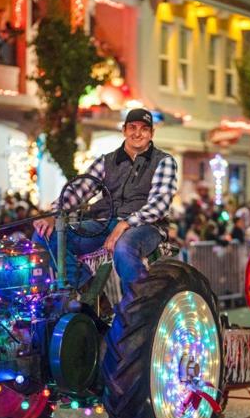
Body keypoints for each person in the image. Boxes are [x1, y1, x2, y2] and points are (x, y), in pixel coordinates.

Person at [33, 108, 177, 297]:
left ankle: (137, 304)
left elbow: (160, 204)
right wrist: (54, 215)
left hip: (145, 227)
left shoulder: (163, 161)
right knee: (44, 234)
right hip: (104, 224)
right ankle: (86, 287)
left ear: (152, 133)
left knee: (123, 247)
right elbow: (79, 190)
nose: (138, 133)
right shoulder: (106, 161)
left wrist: (125, 224)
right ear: (124, 130)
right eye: (132, 127)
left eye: (144, 129)